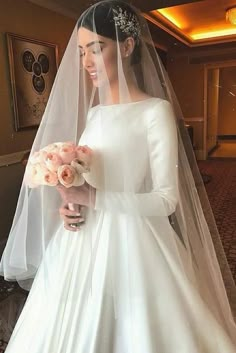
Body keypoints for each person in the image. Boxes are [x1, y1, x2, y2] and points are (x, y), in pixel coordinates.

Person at [1, 1, 236, 351]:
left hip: (137, 243)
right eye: (82, 51)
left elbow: (165, 199)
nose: (87, 63)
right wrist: (70, 208)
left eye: (97, 48)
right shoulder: (95, 113)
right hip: (83, 240)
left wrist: (92, 197)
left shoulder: (155, 112)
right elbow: (90, 179)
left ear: (126, 47)